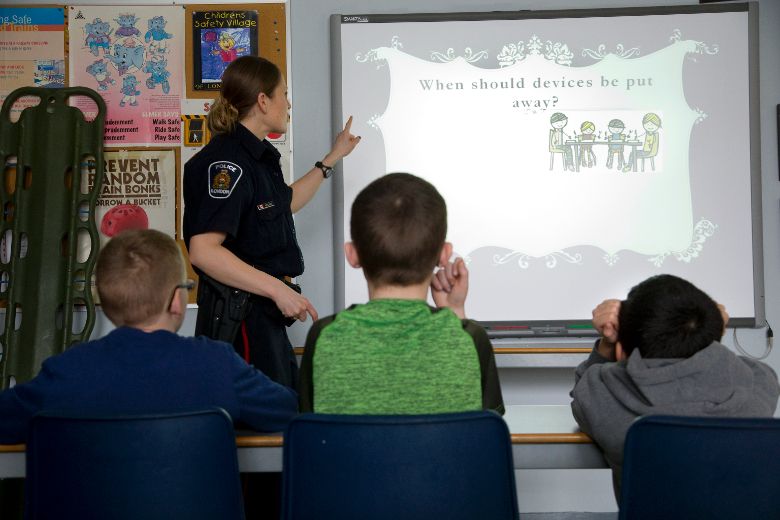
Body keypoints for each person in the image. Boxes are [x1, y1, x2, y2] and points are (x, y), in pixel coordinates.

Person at [0, 229, 298, 444]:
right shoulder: (218, 365)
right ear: (176, 300)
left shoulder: (65, 372)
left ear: (109, 301)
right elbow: (287, 410)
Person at [183, 56, 360, 389]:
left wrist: (332, 158)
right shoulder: (226, 164)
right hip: (240, 321)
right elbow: (203, 251)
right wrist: (278, 290)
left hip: (261, 313)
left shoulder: (257, 157)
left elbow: (283, 204)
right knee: (265, 413)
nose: (288, 104)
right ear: (263, 101)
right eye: (284, 94)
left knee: (282, 404)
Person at [298, 173, 504, 415]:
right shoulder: (471, 338)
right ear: (444, 254)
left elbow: (310, 427)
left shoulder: (324, 335)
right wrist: (455, 314)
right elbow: (485, 426)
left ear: (352, 255)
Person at [571, 274, 779, 497]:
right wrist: (709, 332)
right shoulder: (761, 384)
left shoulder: (601, 397)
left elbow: (584, 389)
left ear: (621, 351)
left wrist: (607, 345)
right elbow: (733, 365)